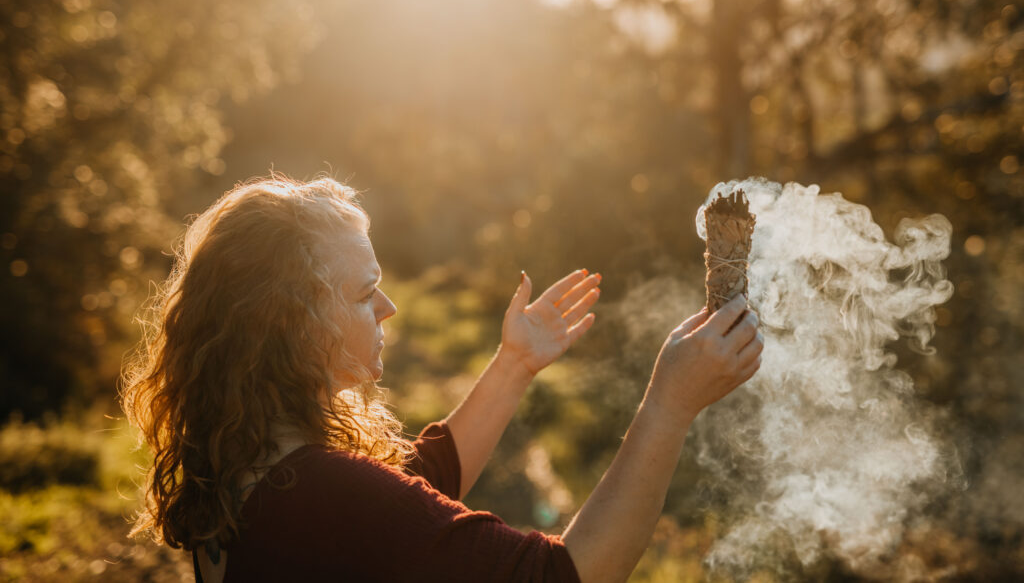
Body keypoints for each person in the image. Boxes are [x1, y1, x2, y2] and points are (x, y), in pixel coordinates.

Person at [121, 175, 763, 583]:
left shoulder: (248, 466)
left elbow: (410, 489)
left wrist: (513, 364)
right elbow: (563, 577)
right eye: (364, 292)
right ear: (290, 322)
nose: (388, 309)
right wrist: (669, 408)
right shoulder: (323, 492)